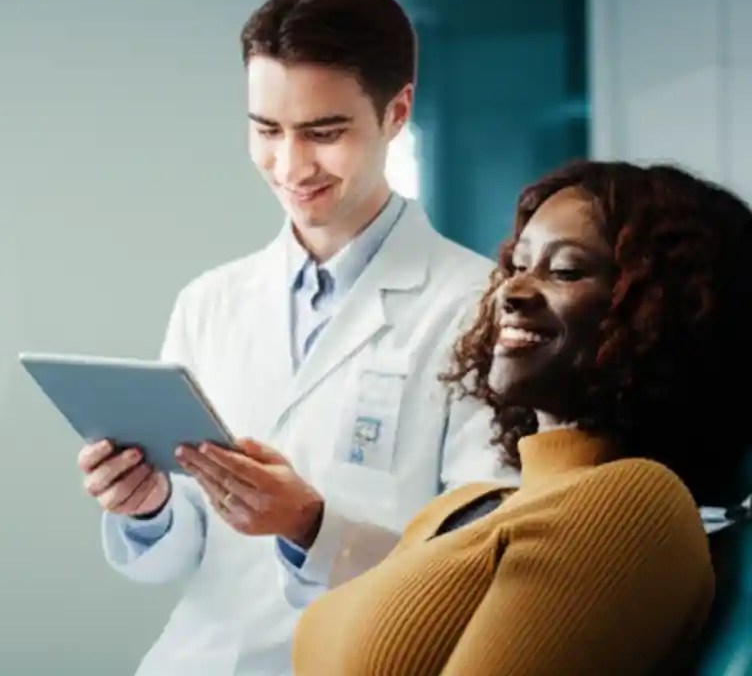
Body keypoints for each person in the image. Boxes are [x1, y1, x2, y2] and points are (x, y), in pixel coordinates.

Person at [75, 0, 515, 676]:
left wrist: (311, 526)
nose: (290, 165)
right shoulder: (209, 303)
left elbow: (478, 565)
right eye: (266, 130)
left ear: (397, 113)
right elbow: (181, 556)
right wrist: (149, 507)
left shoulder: (480, 306)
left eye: (324, 133)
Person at [290, 160, 752, 675]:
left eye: (565, 271)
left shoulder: (628, 501)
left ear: (667, 312)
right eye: (517, 265)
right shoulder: (473, 504)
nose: (511, 292)